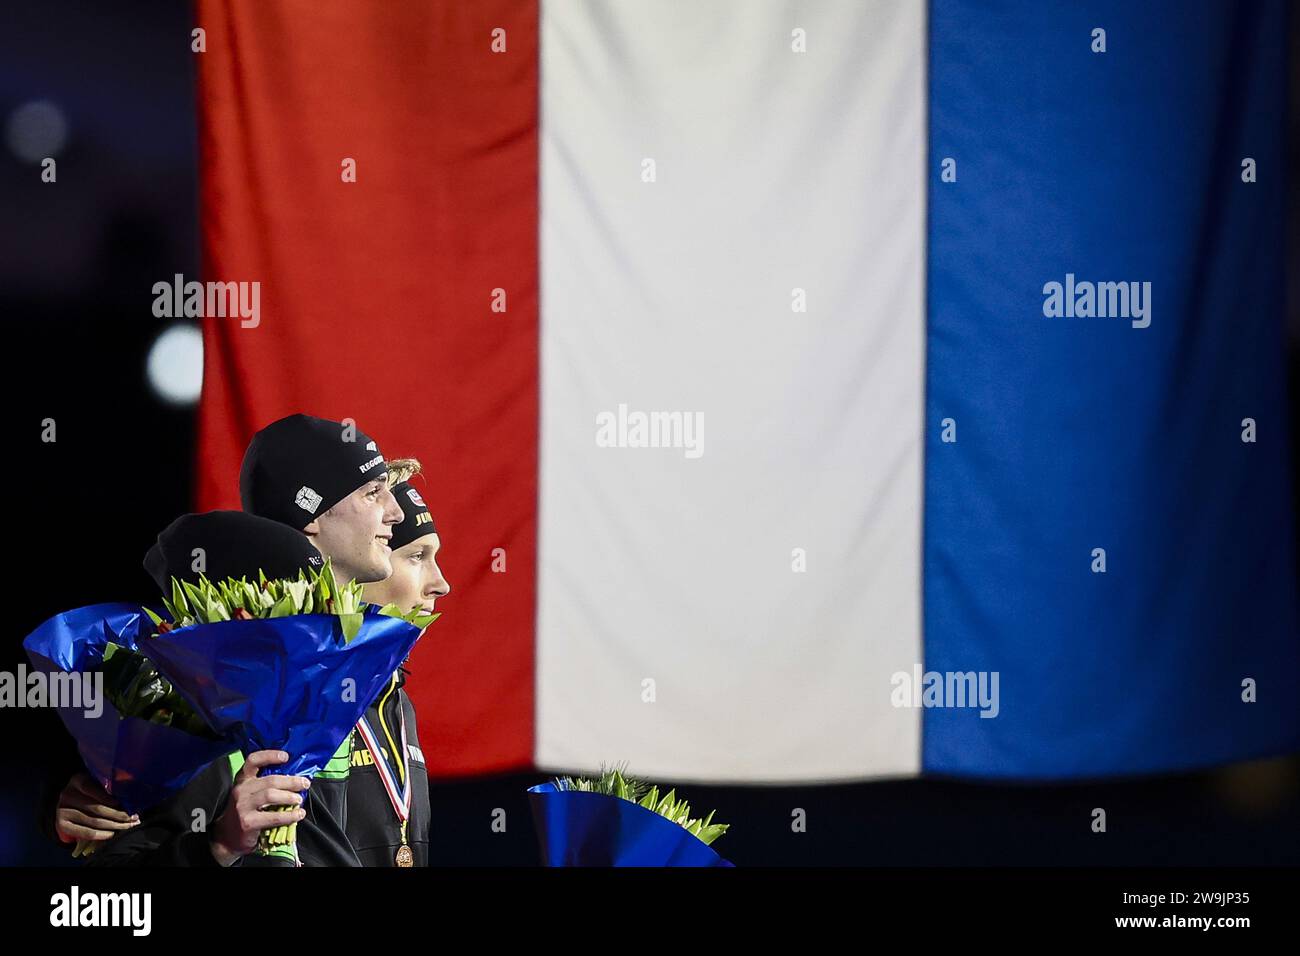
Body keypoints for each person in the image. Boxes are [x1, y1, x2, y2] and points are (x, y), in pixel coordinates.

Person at [85, 511, 336, 866]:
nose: (313, 642)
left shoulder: (307, 731)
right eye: (296, 616)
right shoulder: (171, 739)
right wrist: (219, 845)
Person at [345, 460, 451, 865]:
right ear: (364, 566)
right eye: (417, 556)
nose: (441, 583)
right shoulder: (303, 696)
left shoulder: (398, 702)